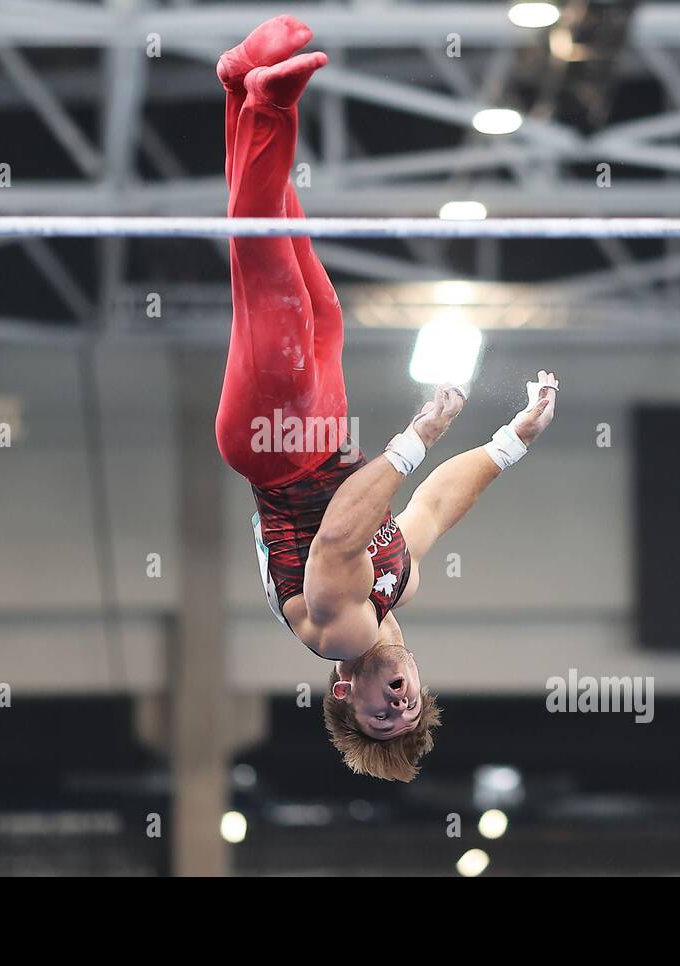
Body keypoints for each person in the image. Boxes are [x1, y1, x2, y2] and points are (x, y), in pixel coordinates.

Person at [215, 16, 559, 780]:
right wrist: (513, 440)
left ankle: (269, 107)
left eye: (379, 711)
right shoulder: (395, 591)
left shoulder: (340, 636)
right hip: (324, 435)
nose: (399, 703)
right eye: (409, 708)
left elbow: (339, 538)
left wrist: (418, 434)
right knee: (308, 290)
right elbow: (433, 508)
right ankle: (239, 87)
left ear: (346, 690)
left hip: (277, 450)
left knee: (273, 282)